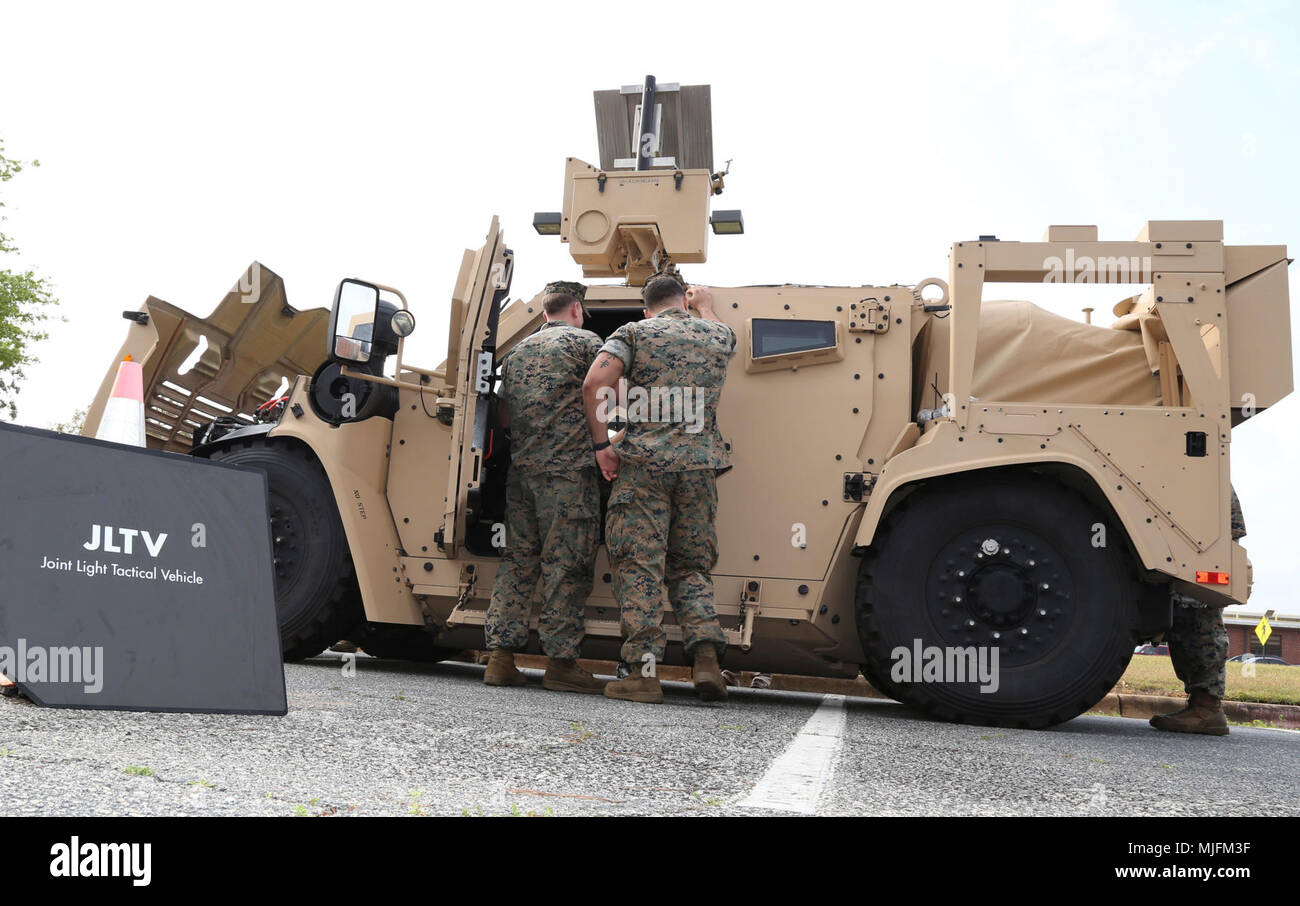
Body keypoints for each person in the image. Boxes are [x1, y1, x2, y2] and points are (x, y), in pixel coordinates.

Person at [582, 274, 734, 704]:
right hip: (700, 468)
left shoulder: (634, 332)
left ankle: (643, 674)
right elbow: (721, 331)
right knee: (691, 567)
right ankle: (706, 663)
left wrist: (601, 447)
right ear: (682, 302)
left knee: (639, 566)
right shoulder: (717, 333)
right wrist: (703, 304)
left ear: (647, 309)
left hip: (645, 468)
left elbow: (594, 384)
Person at [482, 281, 606, 694]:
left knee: (519, 560)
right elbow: (605, 393)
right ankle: (561, 662)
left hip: (523, 473)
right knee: (566, 564)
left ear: (544, 312)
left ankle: (500, 658)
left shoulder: (517, 353)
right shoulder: (586, 343)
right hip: (568, 474)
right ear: (576, 309)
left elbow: (500, 414)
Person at [1150, 487, 1247, 736]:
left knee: (1199, 614)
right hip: (1202, 528)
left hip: (1206, 533)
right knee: (1186, 615)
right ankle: (1202, 706)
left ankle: (1207, 708)